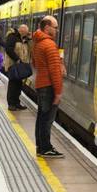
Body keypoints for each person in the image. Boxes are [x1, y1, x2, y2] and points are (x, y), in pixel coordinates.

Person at [31, 15, 64, 158]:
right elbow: (55, 71)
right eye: (55, 27)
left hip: (40, 83)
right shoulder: (49, 45)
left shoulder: (37, 42)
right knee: (47, 119)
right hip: (48, 86)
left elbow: (34, 63)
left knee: (41, 117)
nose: (57, 30)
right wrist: (58, 92)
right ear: (47, 28)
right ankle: (46, 148)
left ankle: (41, 146)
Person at [3, 24, 31, 111]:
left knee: (19, 85)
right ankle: (11, 104)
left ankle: (17, 103)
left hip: (21, 65)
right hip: (13, 65)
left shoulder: (24, 39)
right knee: (13, 85)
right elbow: (8, 49)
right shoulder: (12, 37)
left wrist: (30, 38)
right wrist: (17, 59)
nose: (27, 33)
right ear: (21, 31)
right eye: (26, 32)